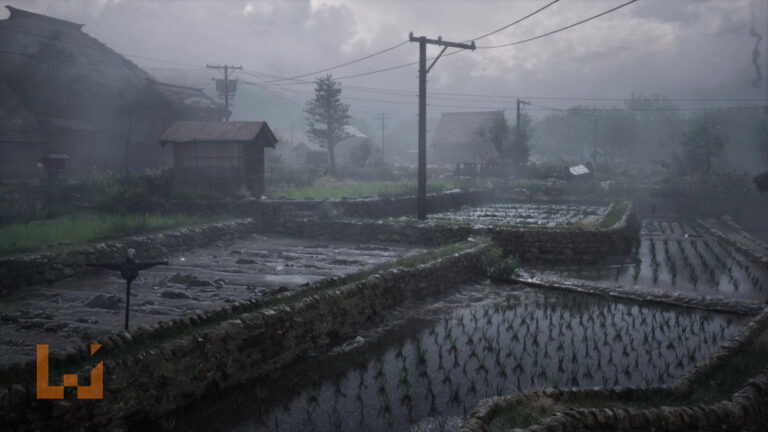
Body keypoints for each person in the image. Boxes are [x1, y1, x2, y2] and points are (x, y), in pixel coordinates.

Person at [88, 249, 168, 331]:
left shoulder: (127, 265)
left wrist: (160, 263)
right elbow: (148, 264)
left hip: (128, 275)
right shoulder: (131, 265)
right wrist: (160, 263)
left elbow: (108, 265)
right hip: (129, 275)